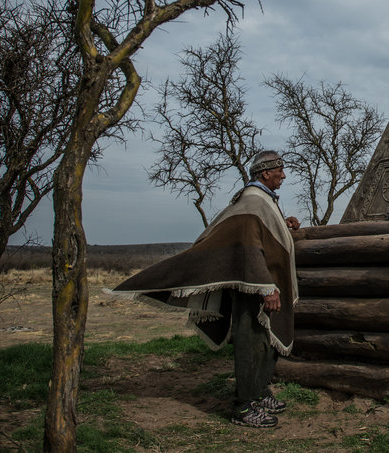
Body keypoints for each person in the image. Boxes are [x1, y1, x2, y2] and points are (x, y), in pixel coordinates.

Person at [110, 150, 301, 428]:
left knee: (265, 342)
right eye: (279, 170)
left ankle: (259, 393)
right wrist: (266, 287)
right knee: (250, 344)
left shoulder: (263, 200)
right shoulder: (252, 201)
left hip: (264, 286)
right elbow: (250, 248)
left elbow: (262, 235)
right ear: (265, 173)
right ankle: (243, 407)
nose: (283, 175)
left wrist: (283, 225)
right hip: (256, 288)